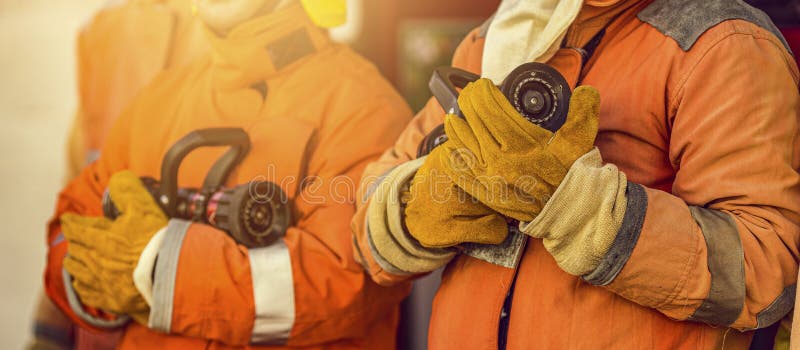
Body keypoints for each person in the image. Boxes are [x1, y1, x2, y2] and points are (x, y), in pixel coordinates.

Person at [353, 0, 800, 349]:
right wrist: (423, 201)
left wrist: (581, 210)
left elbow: (764, 272)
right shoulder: (497, 36)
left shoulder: (722, 43)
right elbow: (368, 220)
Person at [43, 0, 413, 348]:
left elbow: (344, 281)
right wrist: (91, 278)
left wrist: (163, 270)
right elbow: (71, 227)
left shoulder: (365, 111)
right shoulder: (158, 100)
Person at [30, 1, 206, 349]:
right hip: (92, 329)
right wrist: (50, 326)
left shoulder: (251, 36)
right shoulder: (105, 32)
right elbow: (77, 192)